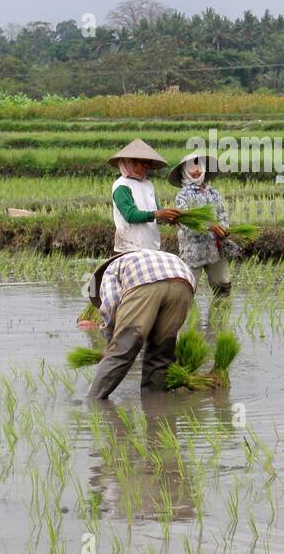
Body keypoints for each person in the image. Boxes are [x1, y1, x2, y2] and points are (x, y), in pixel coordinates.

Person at [83, 248, 197, 398]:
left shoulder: (110, 270)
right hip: (184, 283)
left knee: (122, 348)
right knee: (161, 353)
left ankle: (92, 401)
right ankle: (155, 404)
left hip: (144, 281)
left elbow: (111, 304)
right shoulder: (143, 257)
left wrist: (111, 341)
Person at [167, 152, 240, 298]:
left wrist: (223, 229)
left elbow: (222, 214)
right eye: (191, 168)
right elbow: (186, 223)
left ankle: (219, 318)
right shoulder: (183, 196)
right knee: (186, 288)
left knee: (223, 286)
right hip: (192, 251)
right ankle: (187, 318)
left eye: (198, 166)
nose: (196, 171)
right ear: (184, 171)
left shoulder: (213, 192)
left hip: (214, 248)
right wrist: (209, 226)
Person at [108, 139, 179, 253]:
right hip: (130, 247)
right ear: (130, 162)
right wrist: (157, 214)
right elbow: (130, 215)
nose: (146, 166)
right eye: (143, 162)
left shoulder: (148, 185)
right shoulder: (122, 185)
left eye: (148, 163)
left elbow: (155, 213)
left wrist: (168, 218)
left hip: (150, 245)